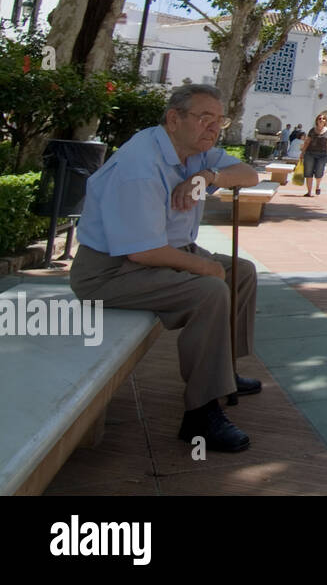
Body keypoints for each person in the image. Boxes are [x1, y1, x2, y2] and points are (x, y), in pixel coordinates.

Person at [69, 84, 261, 452]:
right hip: (110, 273)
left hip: (159, 254)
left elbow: (248, 174)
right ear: (174, 119)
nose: (213, 128)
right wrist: (205, 267)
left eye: (219, 121)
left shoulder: (192, 154)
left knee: (243, 271)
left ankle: (225, 373)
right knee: (209, 290)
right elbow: (143, 252)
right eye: (204, 118)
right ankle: (200, 415)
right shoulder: (140, 167)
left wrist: (209, 177)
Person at [302, 112, 327, 197]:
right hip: (310, 153)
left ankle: (317, 187)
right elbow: (307, 142)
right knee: (308, 172)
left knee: (319, 172)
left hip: (322, 155)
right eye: (319, 119)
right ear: (317, 121)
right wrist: (302, 153)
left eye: (323, 119)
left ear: (325, 121)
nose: (321, 120)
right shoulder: (312, 130)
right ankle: (309, 192)